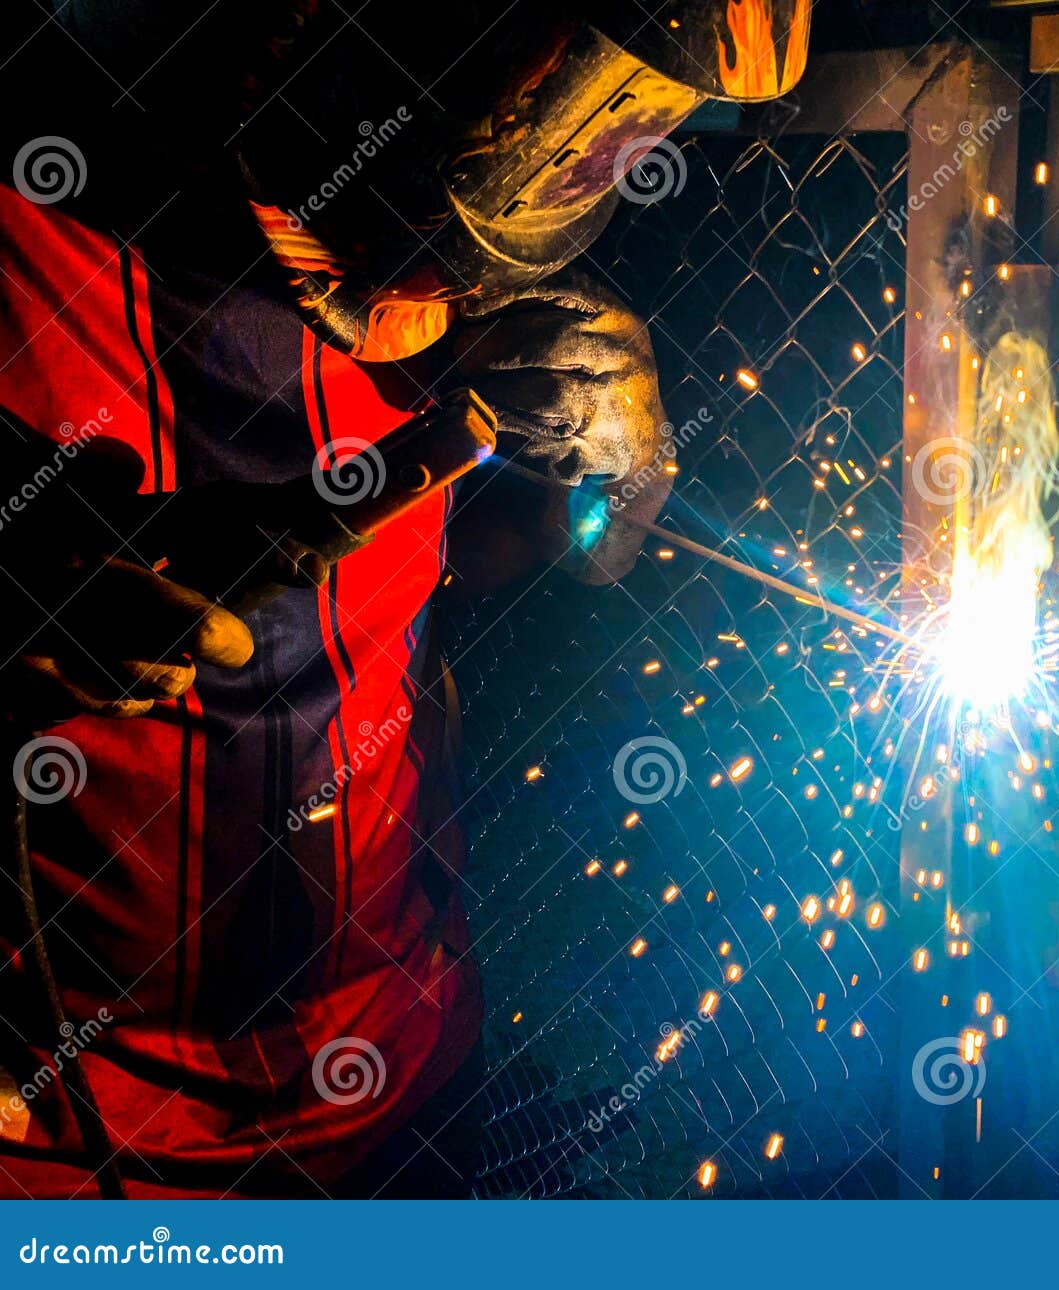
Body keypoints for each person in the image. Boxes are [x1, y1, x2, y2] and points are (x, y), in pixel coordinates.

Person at [0, 0, 811, 1198]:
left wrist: (627, 465)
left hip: (396, 1074)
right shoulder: (39, 216)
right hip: (70, 1134)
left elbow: (565, 559)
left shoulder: (457, 262)